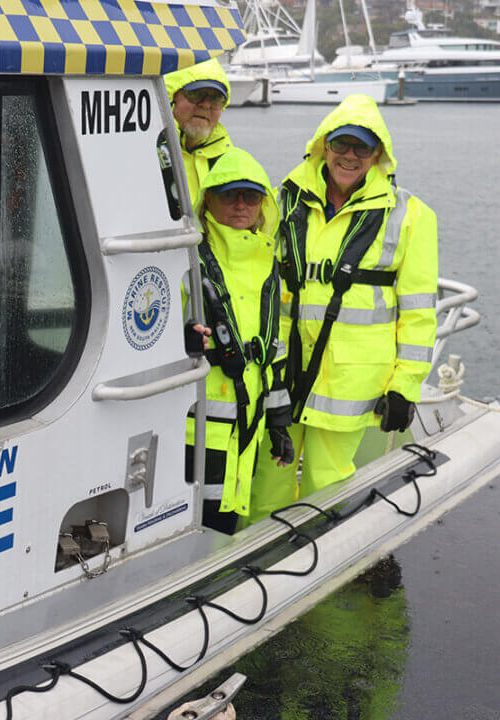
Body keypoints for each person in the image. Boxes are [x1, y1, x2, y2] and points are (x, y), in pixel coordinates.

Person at [250, 94, 438, 523]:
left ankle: (319, 558)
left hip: (349, 384)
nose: (350, 156)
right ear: (324, 146)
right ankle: (259, 560)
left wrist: (405, 386)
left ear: (378, 155)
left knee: (327, 487)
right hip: (283, 371)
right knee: (266, 486)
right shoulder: (283, 201)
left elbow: (419, 312)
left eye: (362, 148)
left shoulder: (411, 216)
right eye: (341, 144)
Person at [186, 148, 294, 533]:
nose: (241, 204)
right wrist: (183, 339)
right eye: (230, 194)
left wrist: (278, 422)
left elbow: (272, 351)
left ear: (263, 204)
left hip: (247, 429)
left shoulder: (268, 264)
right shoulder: (185, 258)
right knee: (188, 527)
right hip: (194, 432)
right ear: (208, 202)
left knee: (225, 523)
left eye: (251, 196)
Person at [163, 59, 233, 211]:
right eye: (195, 94)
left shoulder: (229, 160)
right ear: (170, 98)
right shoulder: (150, 152)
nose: (206, 104)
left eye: (216, 98)